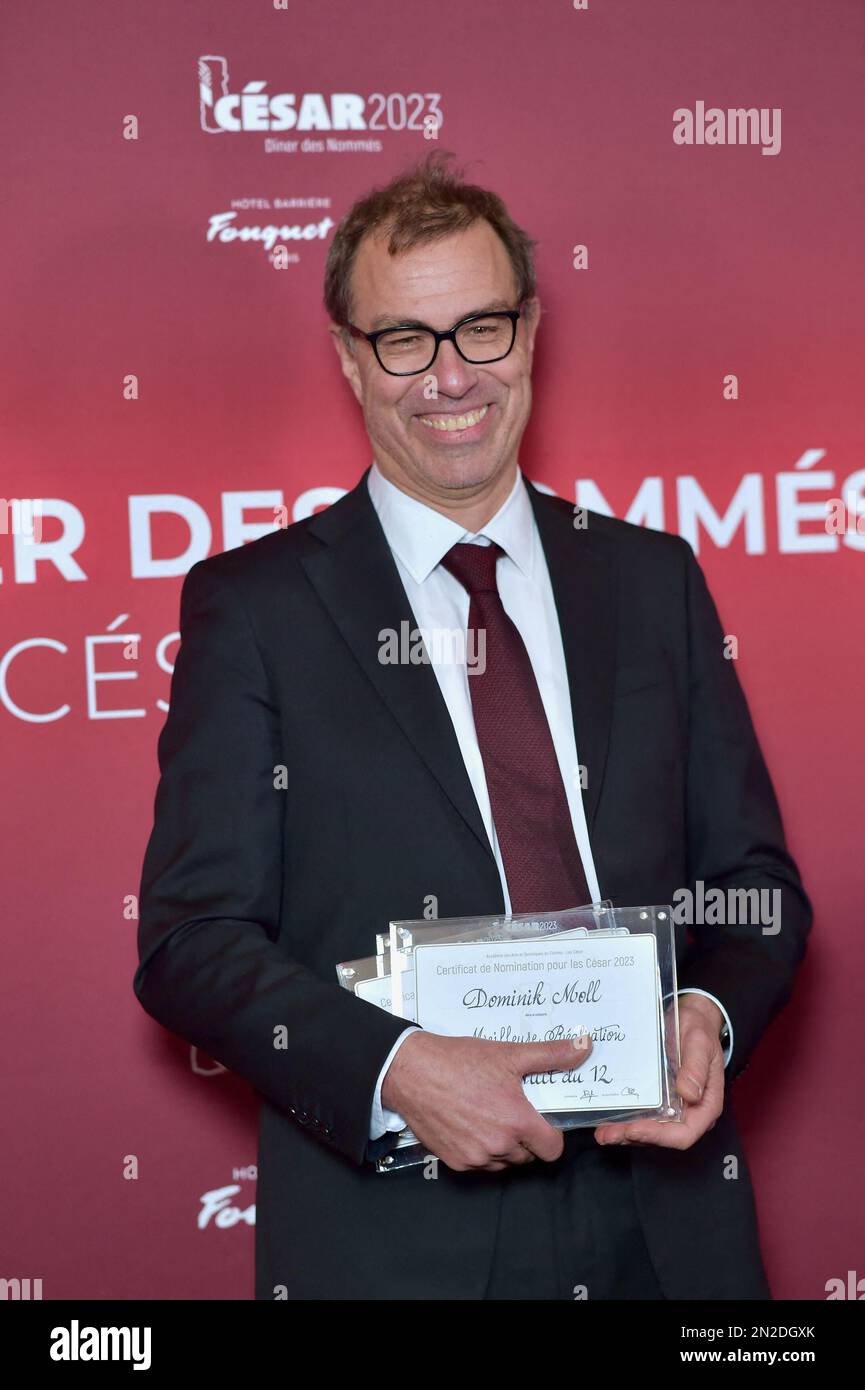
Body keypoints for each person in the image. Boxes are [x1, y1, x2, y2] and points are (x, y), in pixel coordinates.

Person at [134, 151, 812, 1300]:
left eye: (481, 329)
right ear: (350, 358)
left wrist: (708, 1014)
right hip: (399, 1237)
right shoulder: (253, 608)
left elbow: (753, 883)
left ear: (531, 330)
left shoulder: (652, 581)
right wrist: (398, 1068)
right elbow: (191, 939)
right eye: (405, 338)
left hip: (670, 1221)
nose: (450, 377)